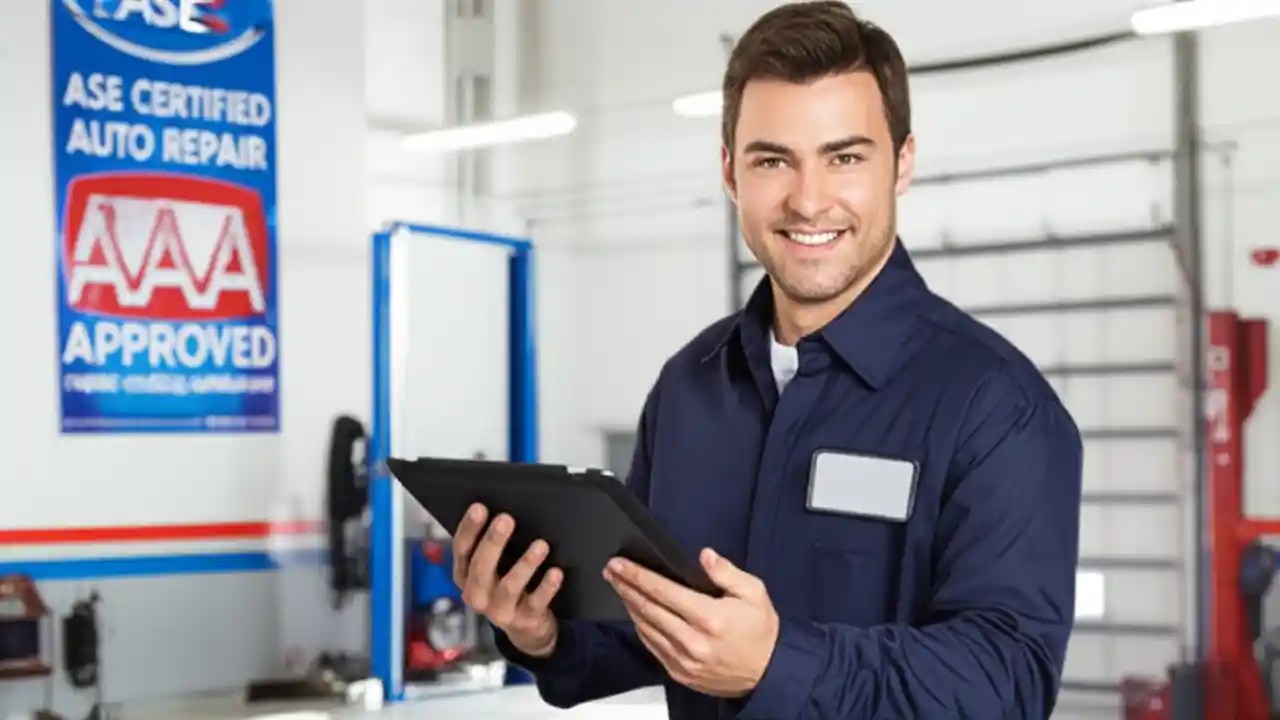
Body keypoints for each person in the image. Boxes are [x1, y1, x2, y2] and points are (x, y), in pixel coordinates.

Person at [446, 2, 1083, 717]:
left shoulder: (994, 406)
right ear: (729, 171)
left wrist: (778, 664)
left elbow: (1007, 685)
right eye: (773, 160)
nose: (808, 201)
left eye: (844, 157)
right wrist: (542, 632)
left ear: (902, 164)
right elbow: (644, 630)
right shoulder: (690, 389)